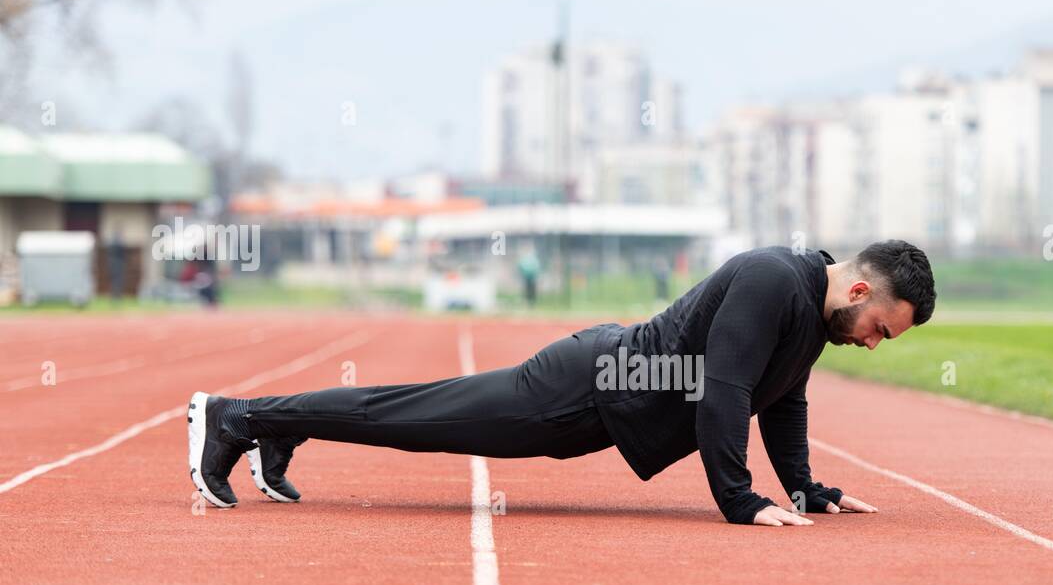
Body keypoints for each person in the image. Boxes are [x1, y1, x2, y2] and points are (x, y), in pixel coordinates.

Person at [188, 241, 936, 526]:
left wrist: (804, 490)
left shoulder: (813, 313)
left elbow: (783, 399)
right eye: (882, 331)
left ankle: (277, 424)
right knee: (417, 417)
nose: (873, 345)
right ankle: (240, 416)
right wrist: (740, 503)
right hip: (582, 385)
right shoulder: (774, 279)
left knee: (415, 416)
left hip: (599, 406)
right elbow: (725, 392)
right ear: (864, 295)